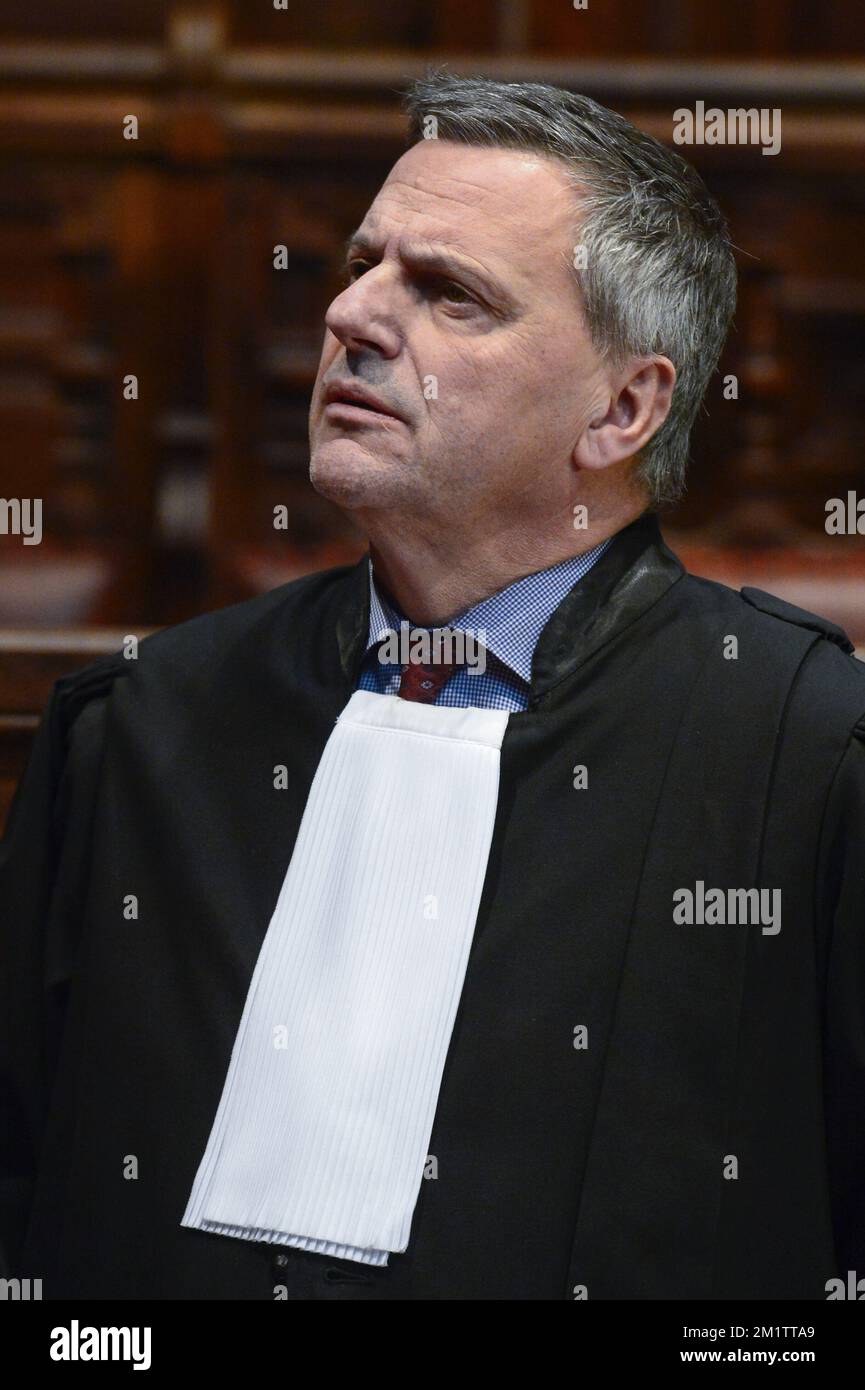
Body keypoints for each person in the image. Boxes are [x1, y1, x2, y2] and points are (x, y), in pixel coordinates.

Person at [1, 73, 863, 1302]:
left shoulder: (806, 753)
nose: (351, 313)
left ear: (623, 407)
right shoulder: (144, 721)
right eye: (362, 263)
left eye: (449, 293)